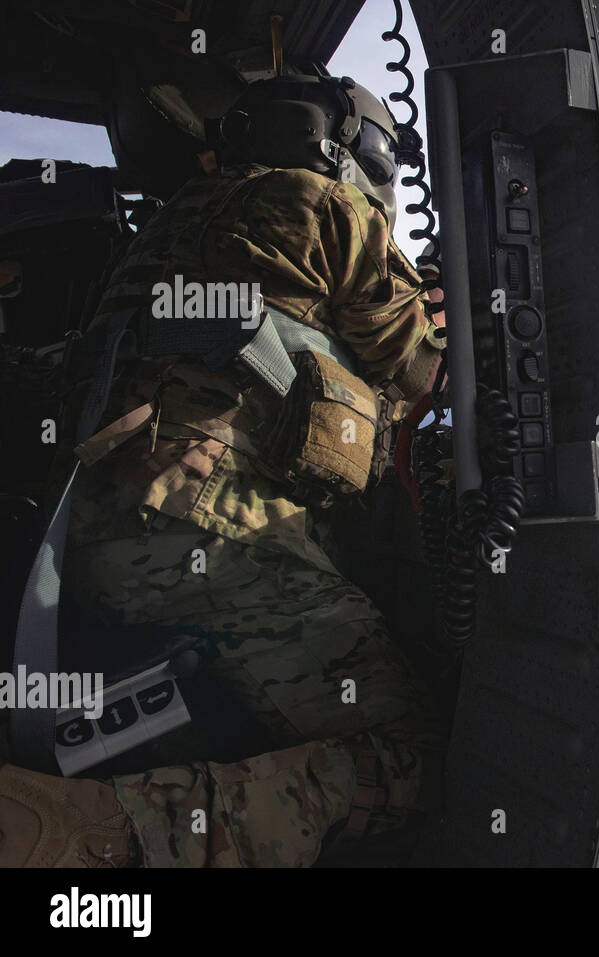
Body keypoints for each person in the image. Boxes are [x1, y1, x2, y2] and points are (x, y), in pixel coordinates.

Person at [0, 73, 447, 867]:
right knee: (412, 749)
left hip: (81, 536)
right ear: (347, 148)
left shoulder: (161, 225)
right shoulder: (328, 205)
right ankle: (96, 831)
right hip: (208, 533)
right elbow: (424, 370)